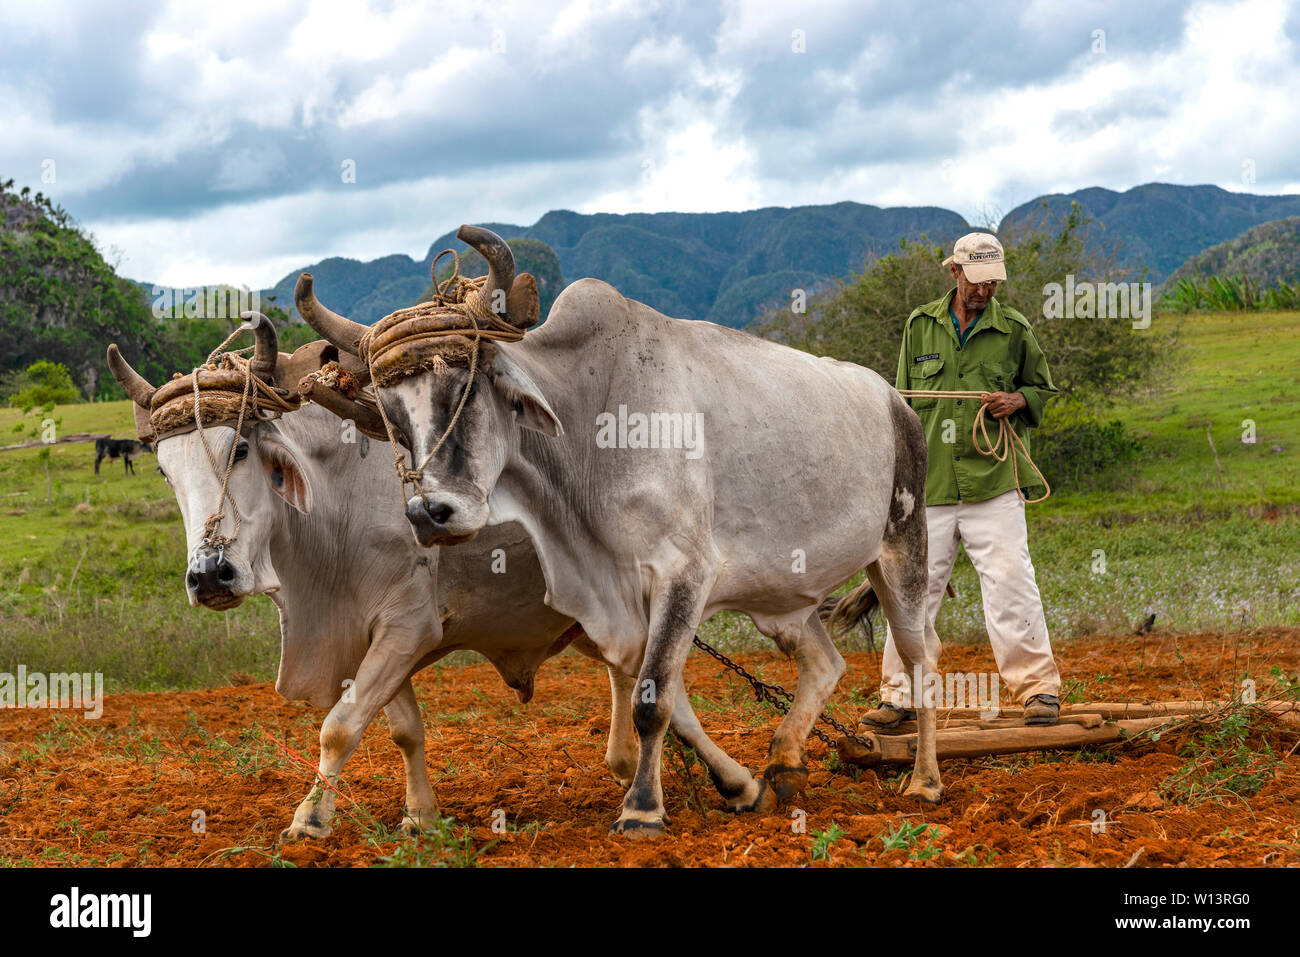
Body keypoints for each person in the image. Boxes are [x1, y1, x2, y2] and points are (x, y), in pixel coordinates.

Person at [861, 232, 1063, 727]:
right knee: (912, 588)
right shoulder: (920, 325)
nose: (985, 291)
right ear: (955, 273)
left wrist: (1017, 401)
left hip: (992, 480)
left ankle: (1038, 691)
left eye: (993, 282)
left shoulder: (1013, 329)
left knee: (1011, 582)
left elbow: (1041, 387)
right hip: (928, 486)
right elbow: (902, 408)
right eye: (976, 281)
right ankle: (899, 696)